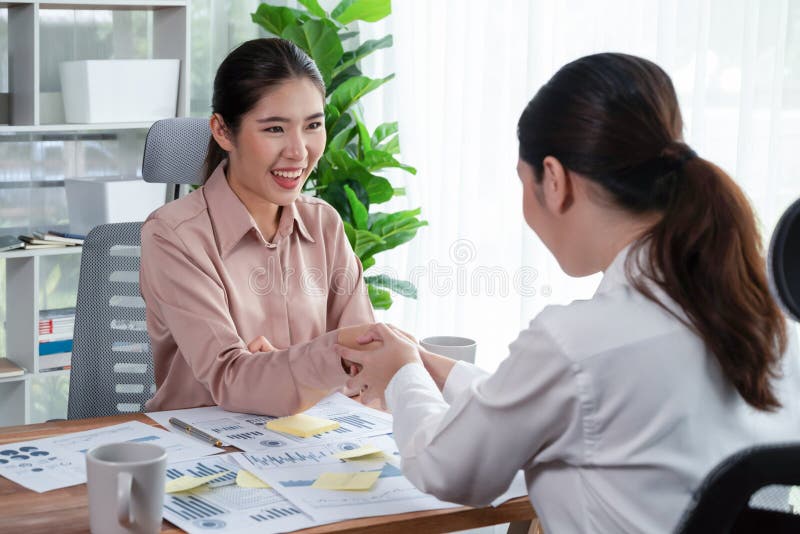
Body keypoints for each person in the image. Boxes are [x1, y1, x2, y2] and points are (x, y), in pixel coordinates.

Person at [334, 53, 800, 533]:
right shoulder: (768, 320)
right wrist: (431, 366)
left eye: (523, 180)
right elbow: (552, 400)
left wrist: (403, 375)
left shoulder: (579, 340)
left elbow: (445, 468)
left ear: (553, 180)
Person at [140, 38, 374, 415]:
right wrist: (313, 363)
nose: (299, 151)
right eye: (275, 129)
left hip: (305, 445)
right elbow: (230, 379)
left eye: (313, 125)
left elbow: (364, 364)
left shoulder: (324, 223)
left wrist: (280, 365)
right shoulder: (173, 235)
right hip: (201, 450)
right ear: (222, 131)